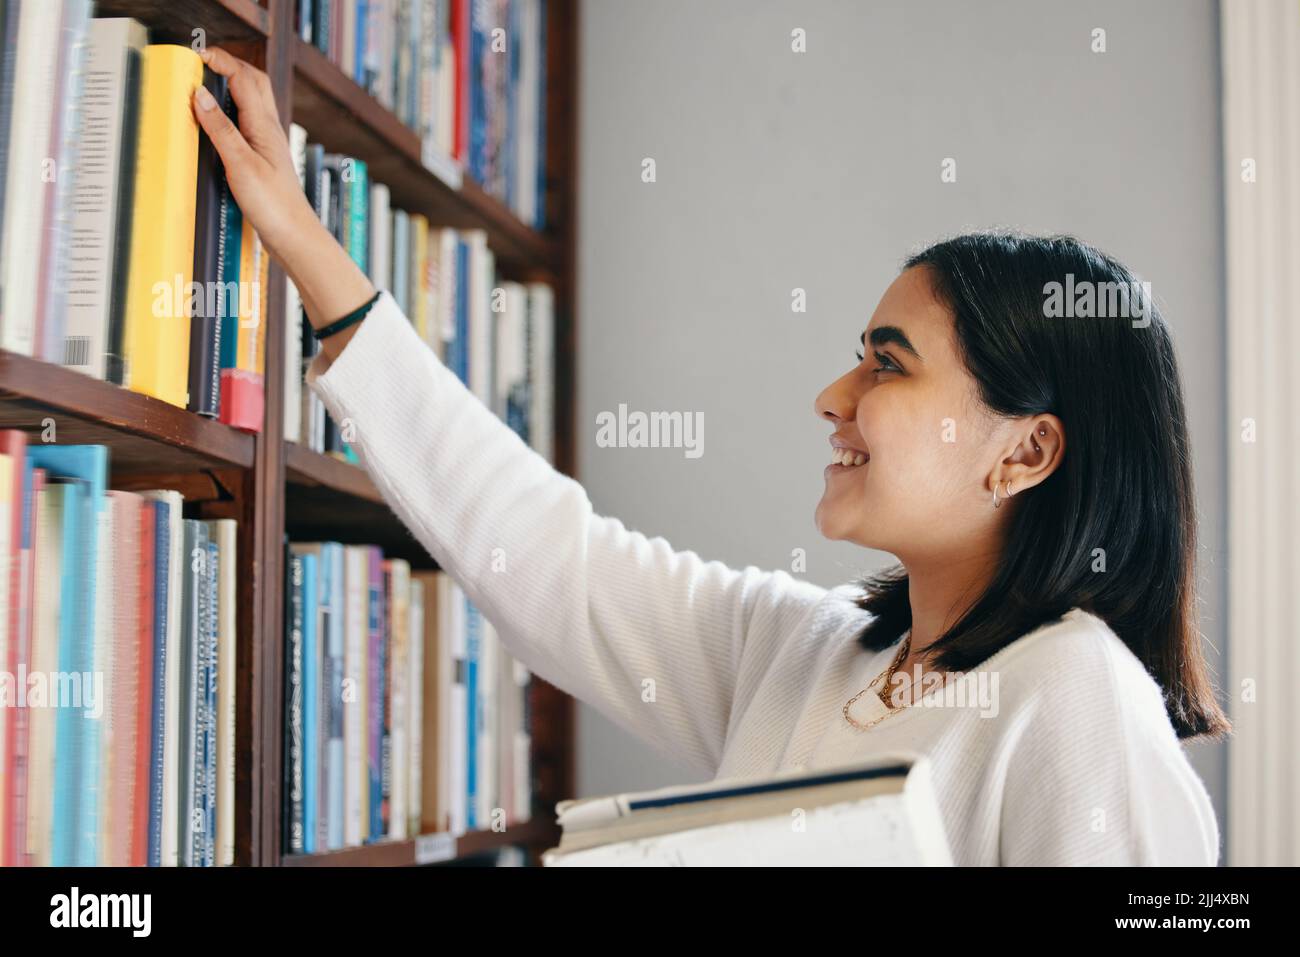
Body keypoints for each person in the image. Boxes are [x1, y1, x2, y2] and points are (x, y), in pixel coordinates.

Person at [191, 47, 1228, 866]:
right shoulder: (809, 652)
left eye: (887, 367)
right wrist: (304, 246)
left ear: (1025, 451)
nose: (832, 399)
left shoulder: (1076, 694)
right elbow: (552, 561)